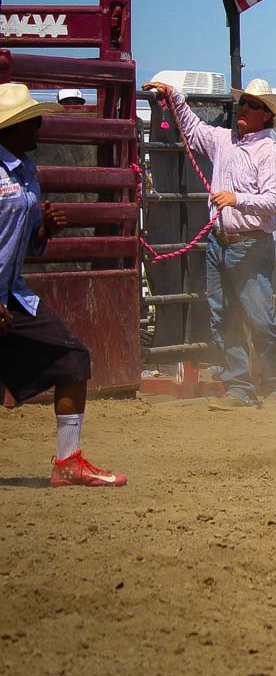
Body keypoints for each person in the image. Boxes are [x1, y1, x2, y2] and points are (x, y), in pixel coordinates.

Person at [0, 84, 127, 485]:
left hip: (11, 295)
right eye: (32, 121)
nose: (40, 127)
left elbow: (22, 244)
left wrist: (44, 230)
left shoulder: (26, 172)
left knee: (72, 357)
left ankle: (68, 461)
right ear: (12, 127)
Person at [145, 76, 276, 410]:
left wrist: (236, 199)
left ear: (266, 115)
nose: (244, 108)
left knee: (259, 318)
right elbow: (193, 129)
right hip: (220, 242)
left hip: (251, 244)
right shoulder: (224, 140)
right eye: (243, 102)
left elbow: (275, 201)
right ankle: (239, 388)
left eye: (252, 105)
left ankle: (273, 383)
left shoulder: (270, 153)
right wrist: (174, 96)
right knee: (223, 316)